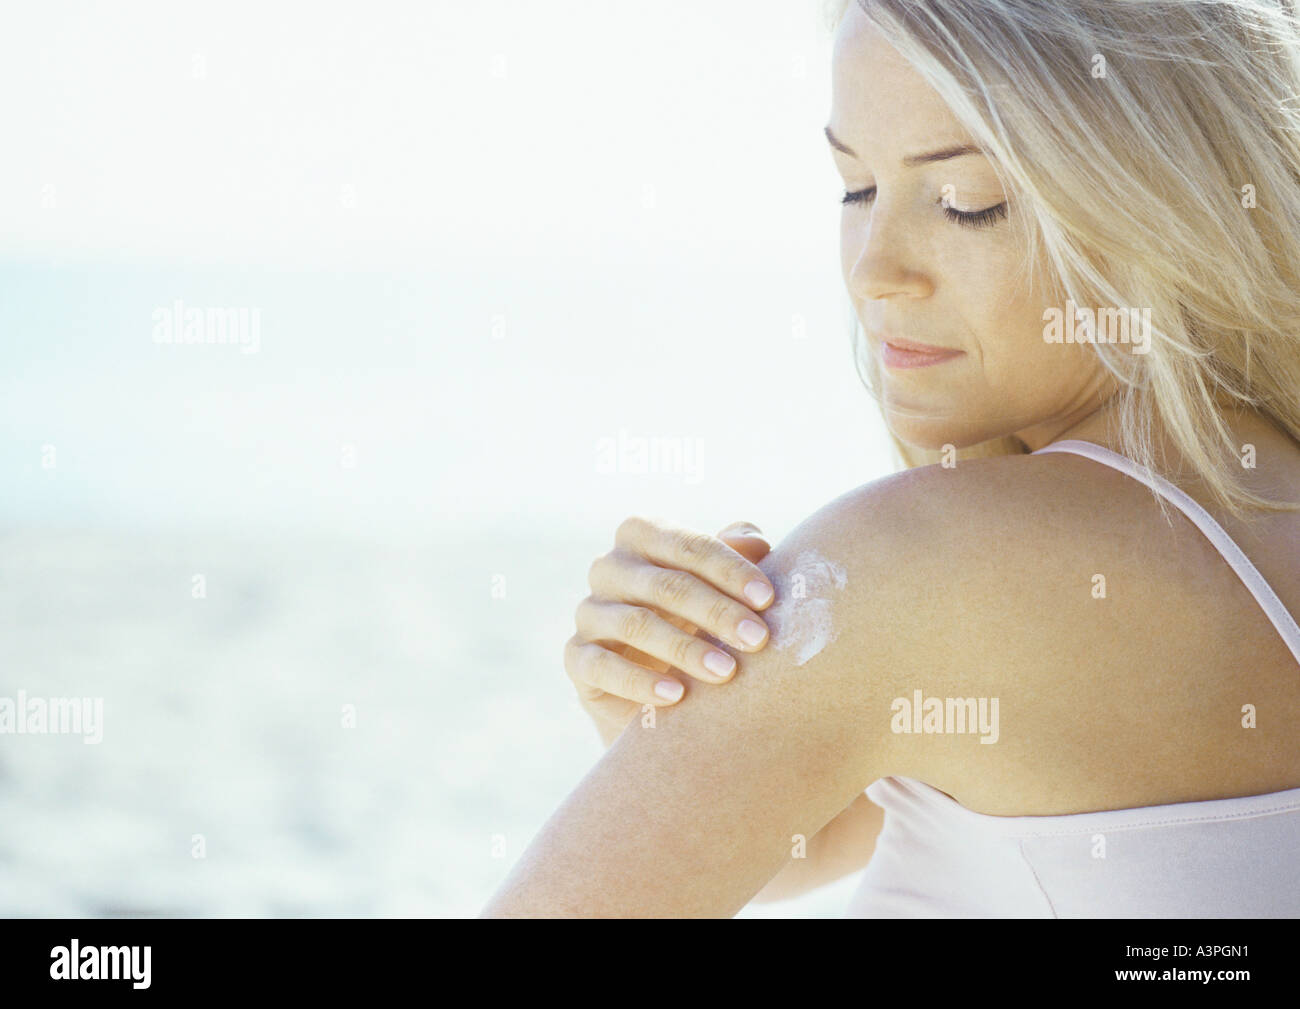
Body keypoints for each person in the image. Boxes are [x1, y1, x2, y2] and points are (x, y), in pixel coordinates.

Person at [481, 0, 1300, 917]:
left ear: (1161, 202)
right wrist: (659, 720)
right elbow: (844, 840)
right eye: (855, 187)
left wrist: (708, 725)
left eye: (965, 202)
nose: (876, 268)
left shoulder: (923, 563)